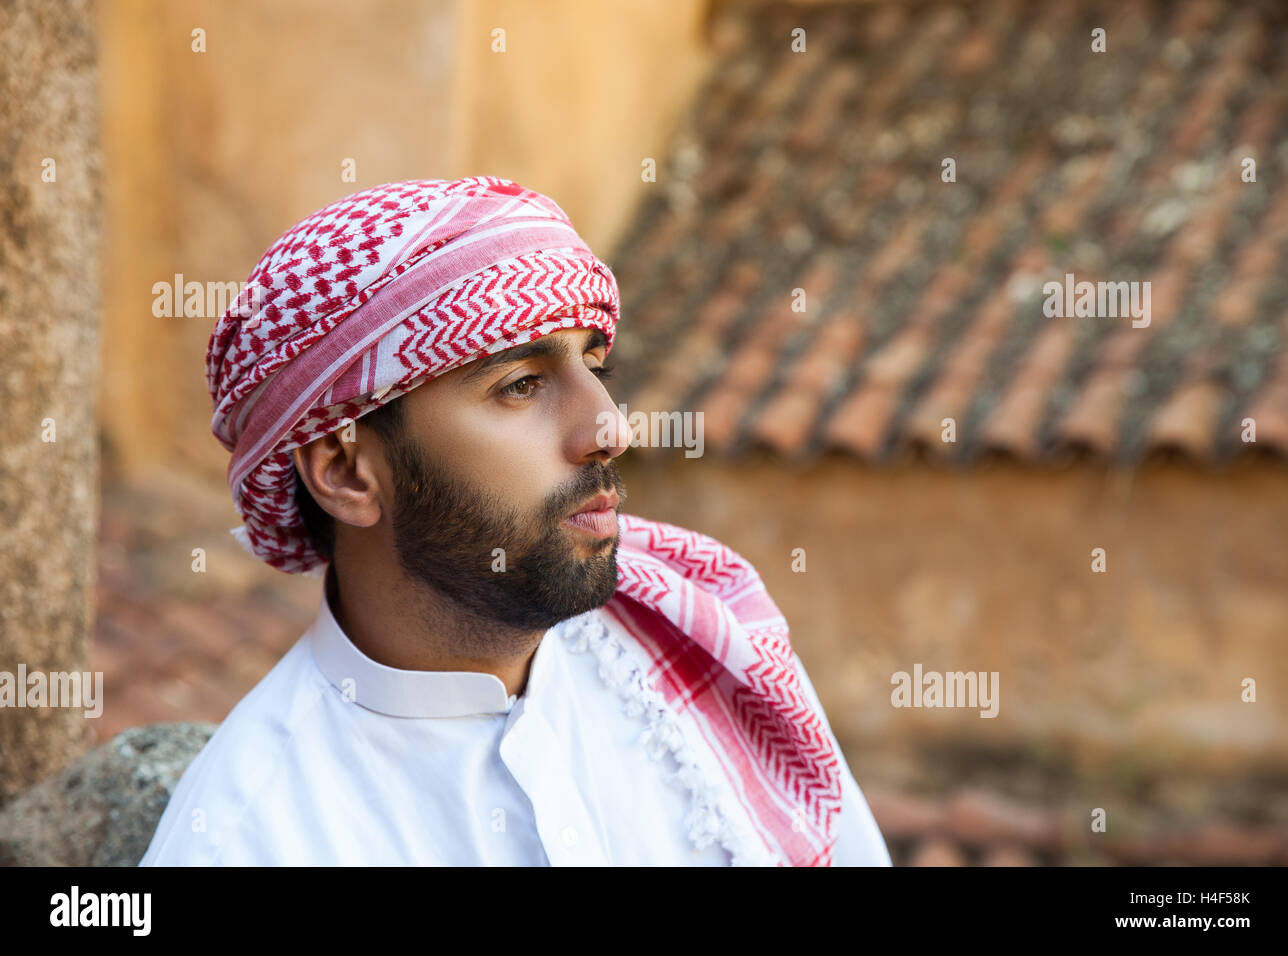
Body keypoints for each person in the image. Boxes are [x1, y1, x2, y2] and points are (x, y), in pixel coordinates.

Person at [139, 177, 891, 866]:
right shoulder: (251, 838)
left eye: (594, 366)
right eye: (522, 384)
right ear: (346, 472)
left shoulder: (704, 630)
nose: (609, 428)